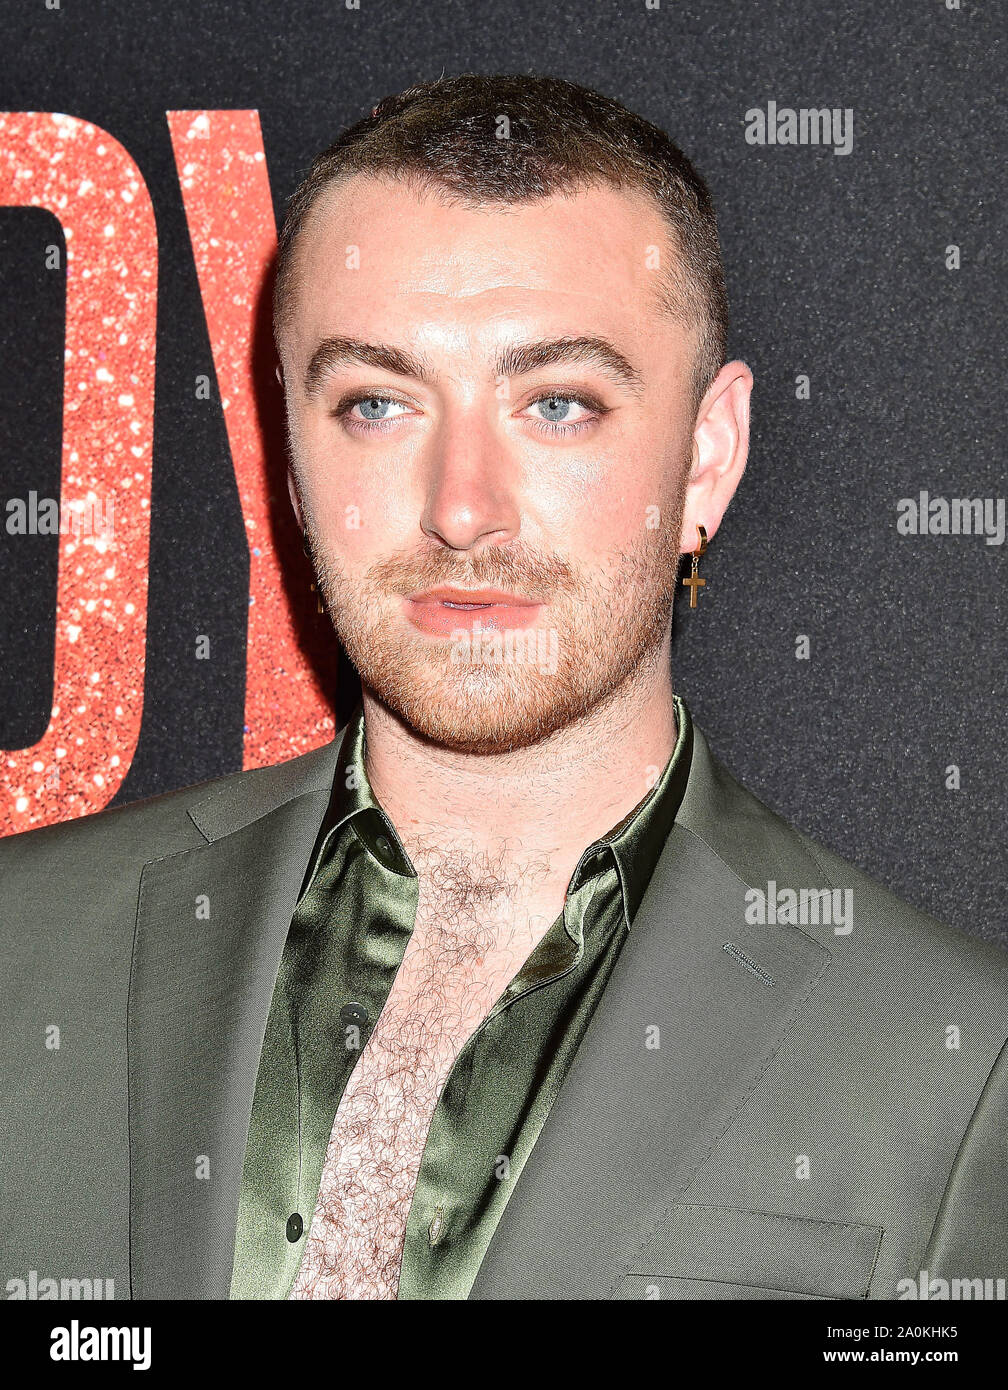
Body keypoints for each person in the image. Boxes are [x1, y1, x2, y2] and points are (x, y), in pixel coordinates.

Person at [2, 73, 1006, 1302]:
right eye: (376, 402)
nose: (460, 506)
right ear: (291, 455)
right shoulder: (24, 953)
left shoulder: (952, 1073)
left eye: (558, 405)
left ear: (708, 455)